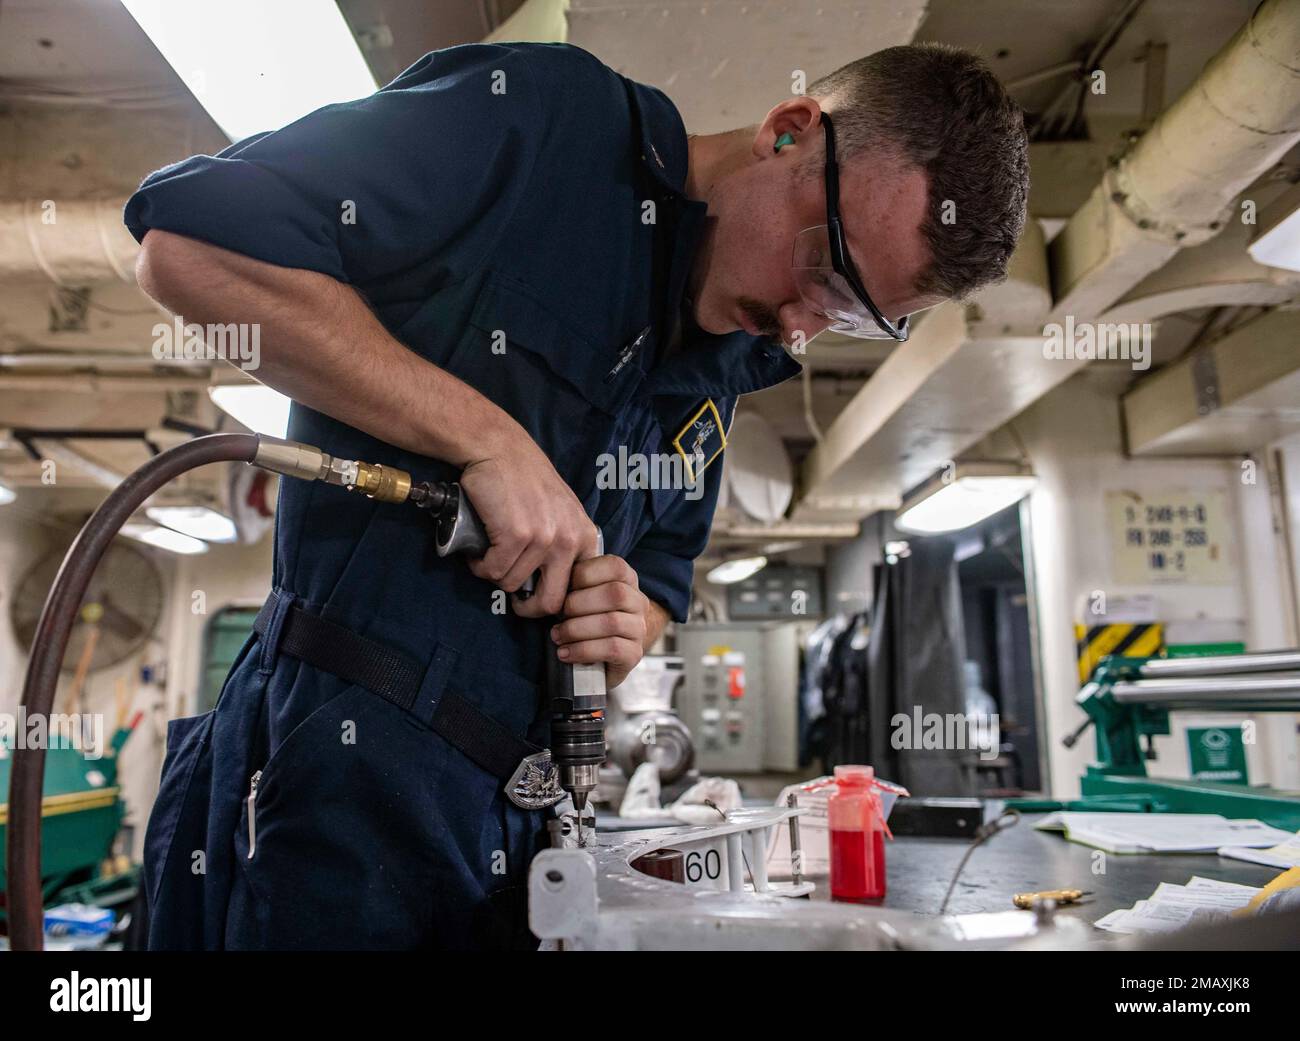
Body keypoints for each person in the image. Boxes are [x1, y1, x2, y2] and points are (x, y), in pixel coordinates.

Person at [125, 39, 1028, 950]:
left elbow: (657, 584)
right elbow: (191, 249)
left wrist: (626, 622)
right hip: (327, 792)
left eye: (845, 318)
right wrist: (484, 439)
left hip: (515, 831)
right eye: (823, 270)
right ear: (790, 134)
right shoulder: (544, 123)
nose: (800, 327)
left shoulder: (718, 374)